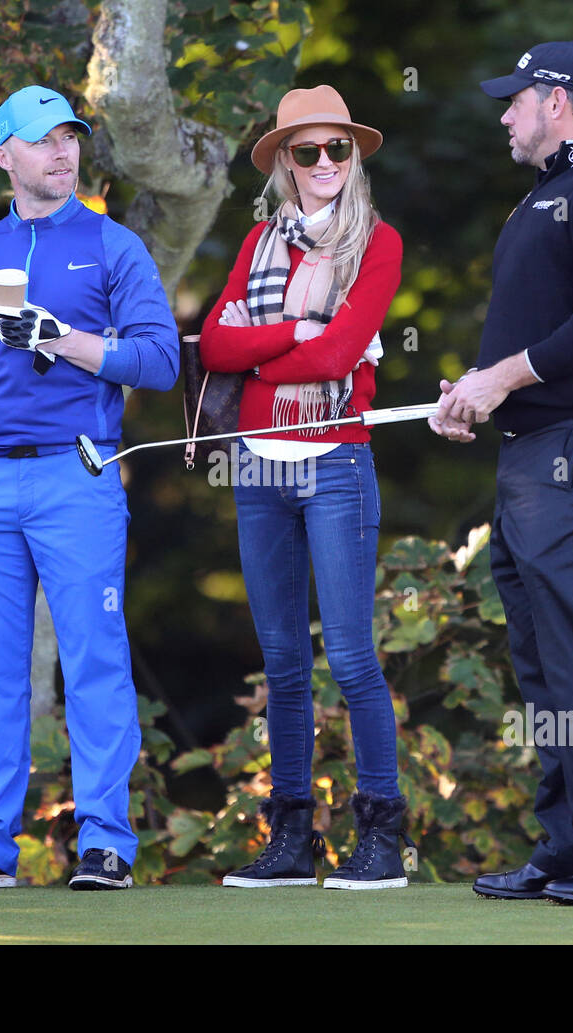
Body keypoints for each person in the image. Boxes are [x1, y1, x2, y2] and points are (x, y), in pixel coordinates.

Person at [0, 85, 179, 891]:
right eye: (42, 140)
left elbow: (161, 361)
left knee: (94, 659)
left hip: (77, 474)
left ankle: (104, 844)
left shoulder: (112, 246)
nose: (61, 152)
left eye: (70, 137)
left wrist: (66, 342)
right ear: (5, 157)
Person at [431, 42, 573, 904]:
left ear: (557, 102)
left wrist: (502, 380)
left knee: (569, 653)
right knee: (539, 659)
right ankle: (570, 844)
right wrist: (481, 394)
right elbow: (542, 336)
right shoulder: (545, 195)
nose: (504, 115)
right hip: (538, 450)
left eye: (515, 100)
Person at [199, 85, 412, 890]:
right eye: (306, 151)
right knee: (283, 661)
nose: (324, 164)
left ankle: (382, 836)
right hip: (257, 465)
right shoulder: (257, 242)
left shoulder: (377, 243)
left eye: (338, 150)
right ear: (284, 163)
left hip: (335, 463)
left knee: (352, 658)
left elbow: (341, 357)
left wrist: (271, 353)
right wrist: (294, 331)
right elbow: (215, 345)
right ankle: (291, 838)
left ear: (354, 158)